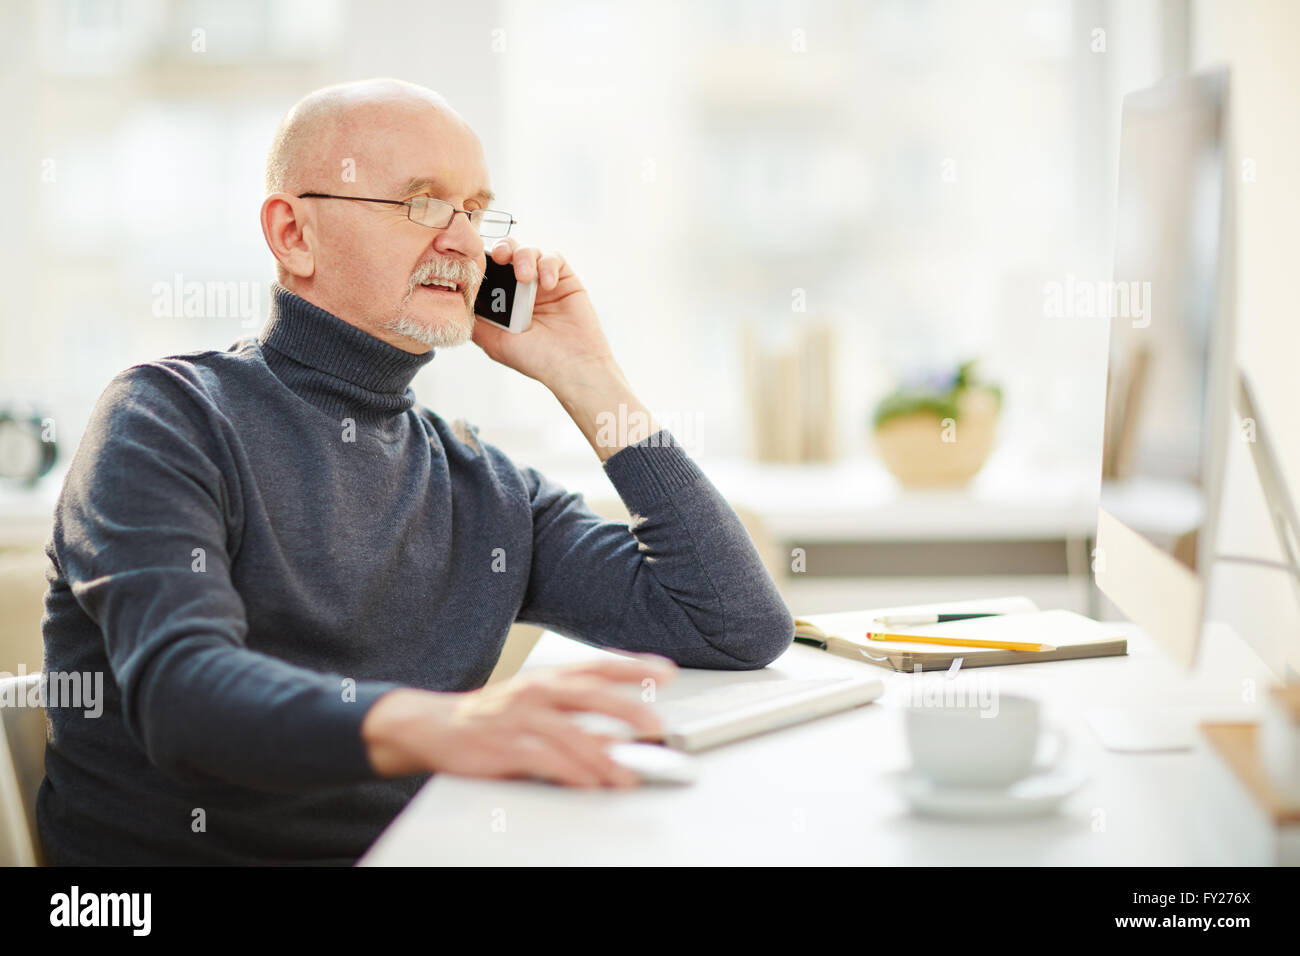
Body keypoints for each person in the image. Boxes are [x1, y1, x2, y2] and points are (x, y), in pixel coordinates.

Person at [36, 78, 793, 865]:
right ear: (295, 235)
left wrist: (590, 378)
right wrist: (454, 726)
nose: (465, 243)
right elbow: (185, 703)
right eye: (423, 203)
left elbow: (734, 627)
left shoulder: (484, 488)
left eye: (476, 210)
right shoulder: (165, 418)